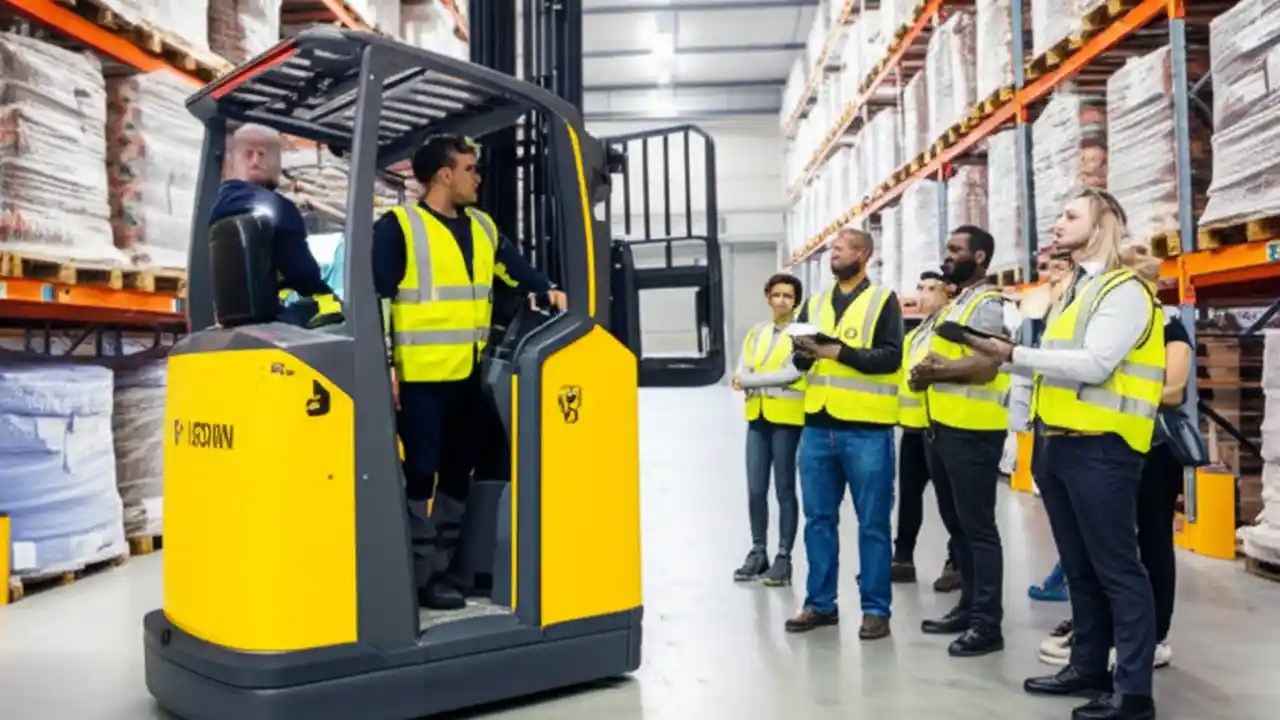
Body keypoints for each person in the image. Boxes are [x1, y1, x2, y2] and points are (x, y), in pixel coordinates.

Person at [964, 188, 1164, 720]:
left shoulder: (1125, 291)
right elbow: (1050, 362)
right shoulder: (1074, 290)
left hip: (1103, 449)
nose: (1057, 223)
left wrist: (1012, 354)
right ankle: (1087, 667)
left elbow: (1096, 364)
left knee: (1118, 569)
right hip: (1058, 444)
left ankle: (1133, 692)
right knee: (1079, 568)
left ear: (1104, 224)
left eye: (1070, 215)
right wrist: (1008, 366)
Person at [372, 134, 567, 610]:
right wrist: (385, 369)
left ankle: (450, 565)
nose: (477, 177)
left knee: (459, 472)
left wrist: (553, 291)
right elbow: (375, 299)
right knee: (420, 476)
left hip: (468, 376)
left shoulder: (481, 227)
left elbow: (516, 271)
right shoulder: (399, 227)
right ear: (444, 174)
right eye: (469, 168)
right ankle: (422, 573)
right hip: (418, 380)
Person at [1038, 243, 1194, 672]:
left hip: (1153, 445)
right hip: (1111, 442)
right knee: (1104, 546)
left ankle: (1155, 636)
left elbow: (1174, 387)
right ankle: (1098, 632)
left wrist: (1102, 388)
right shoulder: (1099, 321)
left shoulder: (1166, 321)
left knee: (1151, 542)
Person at [782, 228, 903, 641]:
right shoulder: (814, 303)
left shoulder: (882, 300)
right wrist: (802, 353)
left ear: (863, 254)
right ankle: (820, 604)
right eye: (831, 249)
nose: (833, 254)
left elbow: (890, 358)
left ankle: (875, 610)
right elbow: (799, 358)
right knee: (817, 521)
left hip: (866, 431)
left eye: (841, 249)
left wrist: (839, 353)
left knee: (872, 524)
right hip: (817, 428)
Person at [908, 225, 1013, 658]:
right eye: (946, 248)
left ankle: (988, 623)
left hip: (973, 430)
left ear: (981, 258)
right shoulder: (960, 302)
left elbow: (988, 363)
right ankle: (968, 608)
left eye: (956, 250)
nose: (946, 255)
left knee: (978, 529)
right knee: (959, 530)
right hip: (944, 428)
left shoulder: (989, 304)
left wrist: (936, 372)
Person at [209, 123, 341, 326]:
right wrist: (324, 292)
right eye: (249, 154)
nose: (255, 161)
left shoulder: (219, 207)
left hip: (232, 318)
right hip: (274, 317)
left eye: (262, 154)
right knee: (339, 314)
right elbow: (303, 274)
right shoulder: (279, 209)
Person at [731, 273, 807, 587]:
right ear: (767, 297)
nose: (781, 301)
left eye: (788, 296)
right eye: (776, 295)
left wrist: (749, 380)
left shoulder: (804, 335)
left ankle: (784, 557)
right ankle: (758, 551)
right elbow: (740, 369)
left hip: (787, 419)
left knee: (784, 489)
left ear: (796, 301)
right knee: (755, 488)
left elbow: (791, 374)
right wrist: (747, 377)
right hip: (758, 417)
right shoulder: (756, 333)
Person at [892, 270, 958, 586]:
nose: (924, 293)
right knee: (908, 496)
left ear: (948, 293)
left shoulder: (952, 329)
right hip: (914, 429)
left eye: (932, 288)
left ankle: (956, 561)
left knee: (951, 501)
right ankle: (903, 558)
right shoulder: (915, 335)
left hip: (942, 428)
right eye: (920, 287)